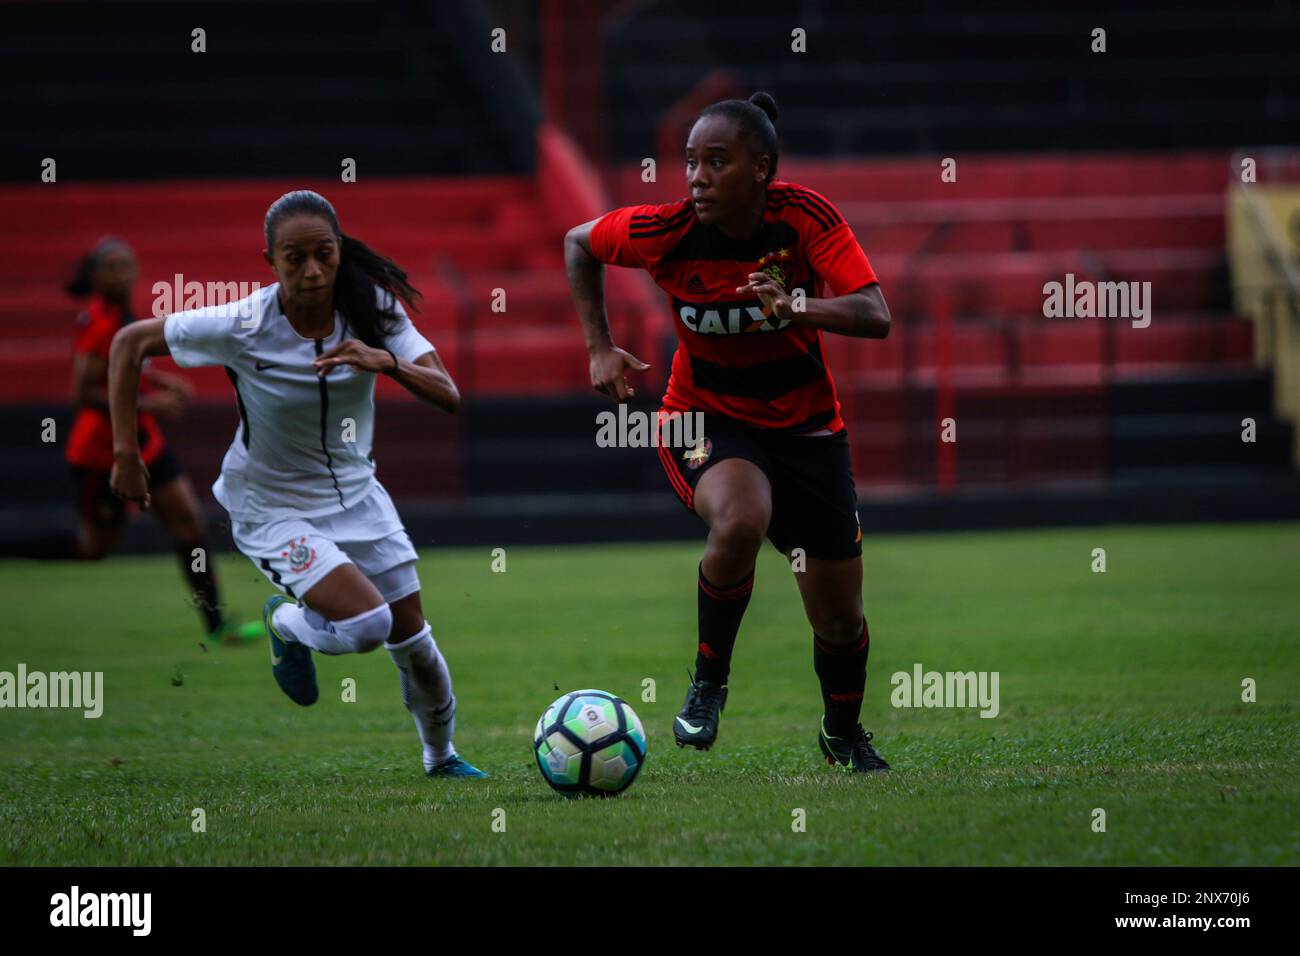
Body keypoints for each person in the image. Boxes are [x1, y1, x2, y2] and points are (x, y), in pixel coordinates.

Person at [565, 92, 893, 772]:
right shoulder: (666, 230)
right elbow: (579, 243)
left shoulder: (803, 220)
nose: (697, 178)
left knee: (838, 618)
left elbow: (874, 312)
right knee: (742, 518)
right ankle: (709, 682)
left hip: (808, 431)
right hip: (703, 417)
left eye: (717, 162)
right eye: (691, 162)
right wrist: (598, 346)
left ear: (761, 169)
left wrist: (796, 305)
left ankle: (842, 733)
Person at [107, 191, 486, 778]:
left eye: (323, 255)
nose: (311, 271)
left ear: (339, 253)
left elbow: (449, 395)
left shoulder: (373, 308)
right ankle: (286, 624)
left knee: (416, 641)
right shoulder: (243, 325)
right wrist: (126, 454)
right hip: (272, 507)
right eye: (294, 258)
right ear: (271, 261)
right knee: (369, 625)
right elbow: (128, 342)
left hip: (359, 496)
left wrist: (386, 362)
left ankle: (441, 758)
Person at [65, 236, 261, 643]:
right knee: (95, 550)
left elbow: (125, 367)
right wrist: (149, 404)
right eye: (112, 267)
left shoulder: (124, 317)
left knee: (189, 524)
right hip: (104, 452)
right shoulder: (98, 321)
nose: (122, 274)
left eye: (126, 265)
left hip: (146, 444)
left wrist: (158, 380)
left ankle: (217, 624)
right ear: (95, 277)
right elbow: (83, 392)